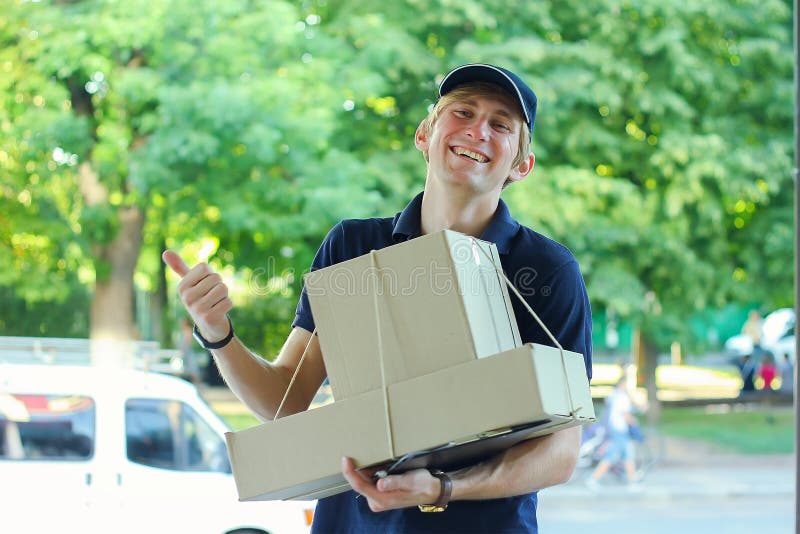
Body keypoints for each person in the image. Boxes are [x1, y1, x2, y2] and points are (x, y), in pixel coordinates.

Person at [162, 63, 592, 533]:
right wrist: (217, 333)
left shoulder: (548, 271)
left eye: (500, 124)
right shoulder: (352, 246)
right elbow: (284, 401)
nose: (477, 131)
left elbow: (560, 452)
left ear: (521, 165)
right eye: (463, 112)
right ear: (424, 135)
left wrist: (442, 487)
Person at [586, 377, 641, 490]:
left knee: (628, 455)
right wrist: (634, 422)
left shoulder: (614, 395)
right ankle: (593, 479)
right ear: (622, 385)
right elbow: (625, 415)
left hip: (615, 429)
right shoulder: (623, 397)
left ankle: (633, 482)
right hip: (619, 430)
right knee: (612, 456)